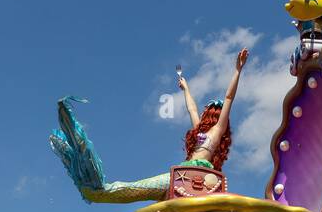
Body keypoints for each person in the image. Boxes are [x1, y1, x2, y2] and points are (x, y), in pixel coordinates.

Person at [50, 47, 249, 204]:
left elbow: (229, 97)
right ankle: (100, 190)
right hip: (182, 174)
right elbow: (191, 109)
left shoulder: (217, 130)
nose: (208, 114)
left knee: (134, 190)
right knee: (137, 191)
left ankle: (101, 191)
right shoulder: (201, 131)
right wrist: (186, 88)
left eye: (210, 112)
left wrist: (238, 70)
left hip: (189, 177)